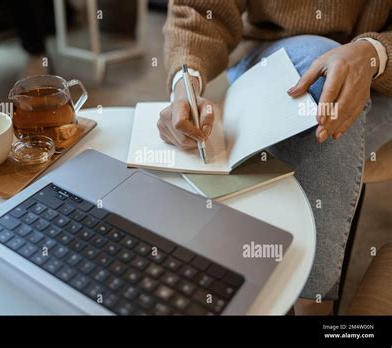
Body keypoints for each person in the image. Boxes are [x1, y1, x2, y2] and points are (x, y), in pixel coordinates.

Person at [159, 0, 392, 315]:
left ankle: (308, 304)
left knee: (322, 111)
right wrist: (185, 80)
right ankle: (316, 309)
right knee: (323, 92)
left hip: (384, 75)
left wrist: (373, 53)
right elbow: (201, 8)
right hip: (275, 55)